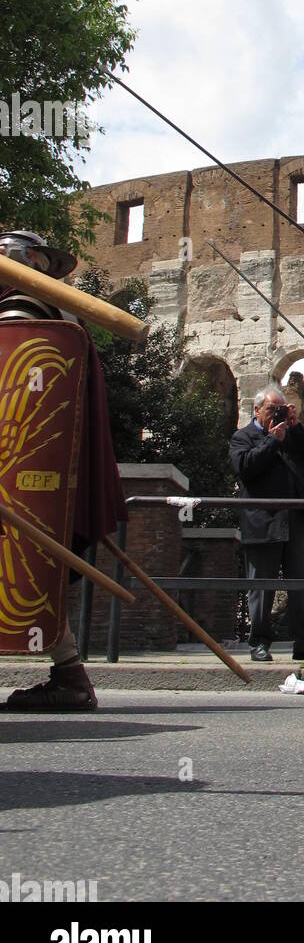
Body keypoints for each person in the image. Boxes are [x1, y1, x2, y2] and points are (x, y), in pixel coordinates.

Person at [0, 230, 126, 711]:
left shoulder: (25, 316)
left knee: (28, 569)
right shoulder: (60, 316)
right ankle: (70, 674)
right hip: (42, 480)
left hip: (24, 474)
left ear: (30, 259)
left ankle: (71, 676)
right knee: (31, 570)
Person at [229, 384, 304, 662]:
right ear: (257, 410)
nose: (276, 414)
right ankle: (259, 642)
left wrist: (297, 426)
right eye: (272, 409)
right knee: (261, 586)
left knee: (300, 583)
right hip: (262, 521)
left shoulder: (290, 434)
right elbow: (244, 468)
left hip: (294, 519)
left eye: (281, 409)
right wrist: (272, 440)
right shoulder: (242, 437)